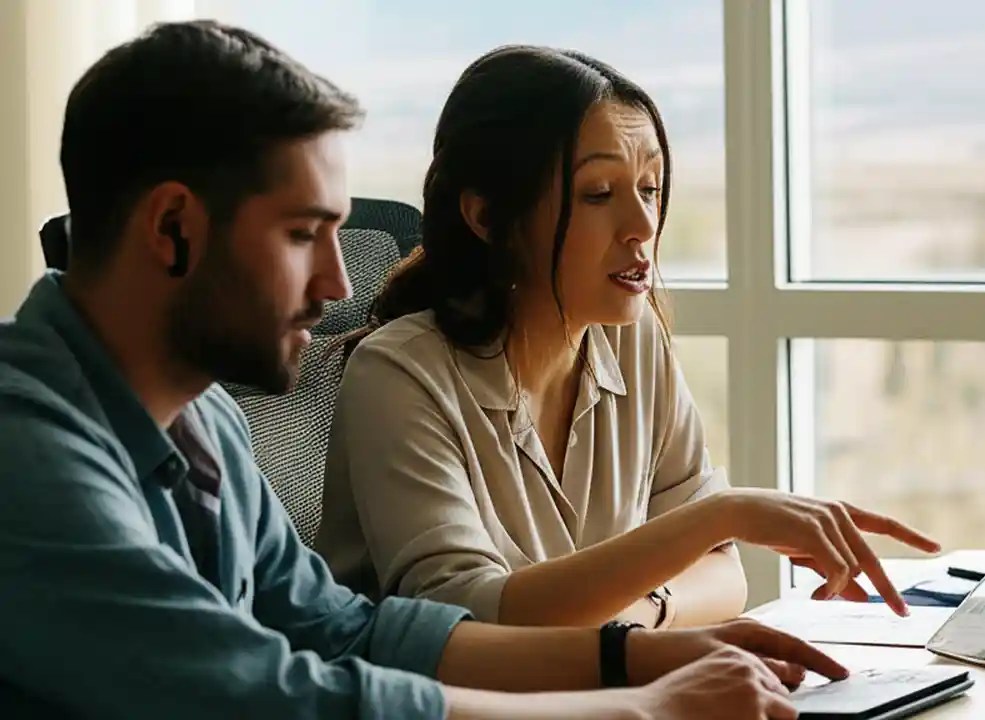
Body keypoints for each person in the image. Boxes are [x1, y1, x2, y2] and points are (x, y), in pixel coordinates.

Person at [0, 21, 849, 719]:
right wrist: (639, 706)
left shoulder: (202, 420)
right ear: (174, 230)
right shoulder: (24, 455)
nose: (338, 285)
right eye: (302, 235)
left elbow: (346, 633)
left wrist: (637, 654)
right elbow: (265, 694)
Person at [316, 45, 941, 630]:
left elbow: (725, 575)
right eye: (598, 194)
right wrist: (716, 518)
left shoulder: (632, 340)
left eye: (650, 189)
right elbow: (465, 621)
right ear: (487, 216)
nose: (643, 225)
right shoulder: (397, 375)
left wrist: (633, 618)